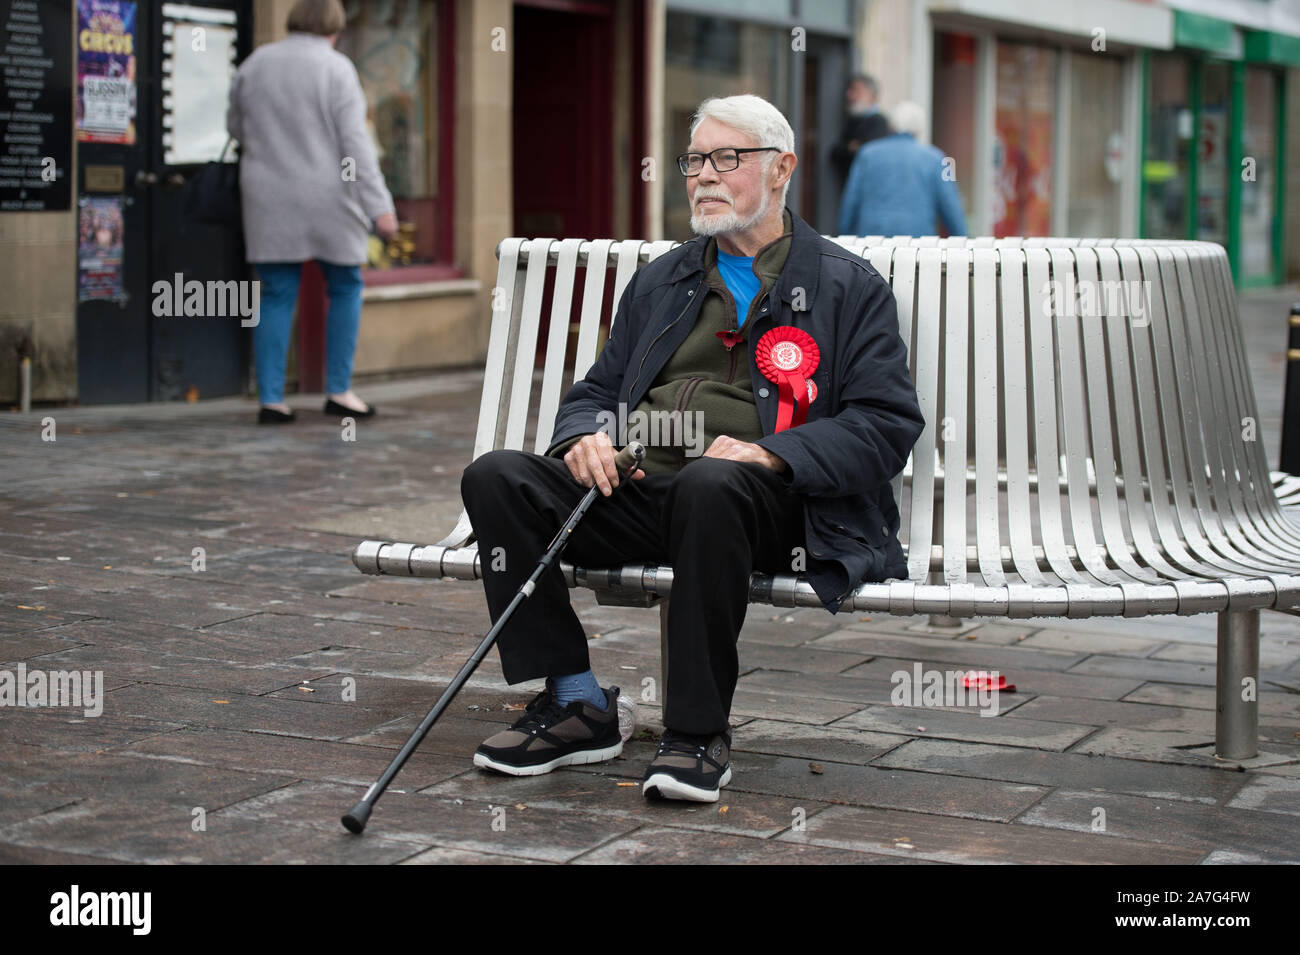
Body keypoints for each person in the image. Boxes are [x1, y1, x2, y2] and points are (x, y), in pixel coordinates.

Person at [461, 94, 924, 803]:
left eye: (727, 158)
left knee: (711, 483)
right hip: (643, 492)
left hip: (770, 509)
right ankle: (578, 702)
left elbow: (885, 423)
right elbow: (599, 389)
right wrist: (586, 436)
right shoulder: (664, 279)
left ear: (781, 170)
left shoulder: (845, 286)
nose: (704, 174)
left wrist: (774, 454)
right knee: (497, 477)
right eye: (695, 160)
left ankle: (696, 732)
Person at [226, 0, 398, 424]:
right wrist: (380, 208)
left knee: (275, 293)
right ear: (335, 26)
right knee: (345, 286)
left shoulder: (254, 64)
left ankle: (271, 401)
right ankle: (339, 391)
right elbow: (356, 145)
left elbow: (234, 127)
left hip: (268, 196)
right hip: (329, 197)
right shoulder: (337, 68)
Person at [838, 100, 969, 238]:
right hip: (917, 240)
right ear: (919, 128)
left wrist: (844, 237)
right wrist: (961, 239)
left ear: (891, 125)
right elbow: (950, 205)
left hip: (872, 238)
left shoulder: (867, 154)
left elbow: (851, 200)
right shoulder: (937, 158)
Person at [829, 74, 892, 185]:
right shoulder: (852, 121)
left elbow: (870, 153)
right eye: (850, 91)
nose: (850, 95)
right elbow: (836, 152)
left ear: (872, 95)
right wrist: (850, 148)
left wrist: (855, 148)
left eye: (856, 91)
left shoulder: (879, 121)